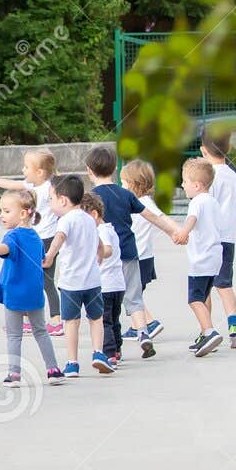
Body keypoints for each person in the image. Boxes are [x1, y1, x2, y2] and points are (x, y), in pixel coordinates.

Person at [85, 144, 183, 360]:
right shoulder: (125, 194)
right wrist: (172, 233)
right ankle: (143, 333)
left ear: (90, 171)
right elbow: (152, 216)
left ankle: (109, 346)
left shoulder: (90, 197)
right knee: (134, 298)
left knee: (106, 299)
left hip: (107, 254)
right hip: (129, 251)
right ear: (113, 170)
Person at [0, 191, 64, 386]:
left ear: (23, 214)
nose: (1, 215)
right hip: (34, 293)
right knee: (41, 331)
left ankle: (14, 373)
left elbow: (6, 248)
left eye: (6, 211)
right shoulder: (35, 237)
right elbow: (42, 259)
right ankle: (53, 370)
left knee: (14, 335)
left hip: (15, 293)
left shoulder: (13, 235)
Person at [42, 177, 111, 377]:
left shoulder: (65, 220)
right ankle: (98, 352)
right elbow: (98, 241)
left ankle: (72, 363)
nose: (50, 204)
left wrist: (49, 256)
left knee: (71, 322)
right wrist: (99, 255)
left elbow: (59, 238)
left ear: (63, 200)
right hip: (92, 281)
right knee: (96, 318)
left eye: (51, 200)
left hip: (71, 283)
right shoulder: (88, 219)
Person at [0, 148, 61, 336]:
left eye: (26, 167)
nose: (23, 170)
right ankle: (27, 319)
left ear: (40, 172)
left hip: (46, 239)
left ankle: (56, 320)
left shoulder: (48, 188)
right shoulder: (31, 188)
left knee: (46, 281)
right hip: (32, 239)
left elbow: (62, 203)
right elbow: (12, 184)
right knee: (27, 278)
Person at [176, 158, 227, 357]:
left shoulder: (197, 202)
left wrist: (183, 233)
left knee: (194, 298)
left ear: (197, 185)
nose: (183, 185)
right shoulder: (212, 201)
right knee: (204, 295)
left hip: (201, 259)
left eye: (185, 182)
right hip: (215, 256)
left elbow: (192, 219)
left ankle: (210, 331)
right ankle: (206, 334)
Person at [200, 130, 236, 348]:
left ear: (203, 150)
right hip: (228, 237)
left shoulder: (209, 177)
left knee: (205, 286)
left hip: (210, 238)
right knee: (225, 284)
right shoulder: (232, 174)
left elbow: (206, 206)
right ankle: (234, 326)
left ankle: (207, 331)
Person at [120, 158, 164, 348]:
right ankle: (141, 324)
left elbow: (159, 217)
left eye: (123, 182)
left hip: (139, 257)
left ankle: (149, 323)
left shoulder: (144, 202)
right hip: (141, 256)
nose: (121, 186)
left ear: (133, 184)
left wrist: (175, 231)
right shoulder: (136, 202)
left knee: (131, 293)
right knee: (133, 293)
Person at [88, 194, 127, 369]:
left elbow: (108, 250)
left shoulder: (102, 231)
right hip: (117, 284)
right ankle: (117, 348)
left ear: (94, 214)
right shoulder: (110, 229)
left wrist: (96, 255)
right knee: (114, 320)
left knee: (105, 321)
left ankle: (109, 353)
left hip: (106, 285)